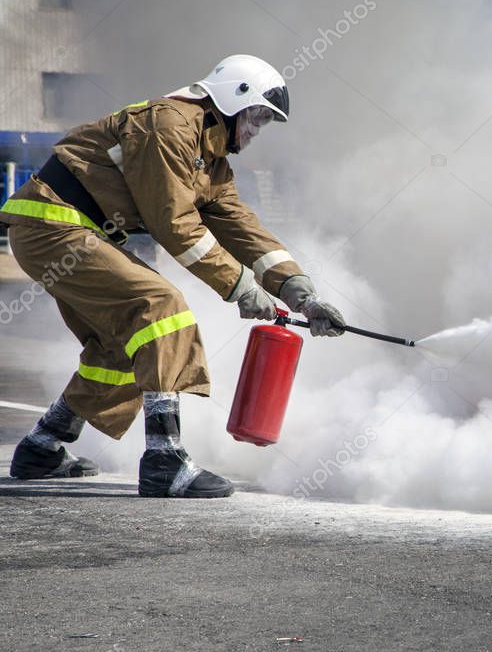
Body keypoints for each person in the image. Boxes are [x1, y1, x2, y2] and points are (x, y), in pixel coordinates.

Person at [1, 55, 345, 497]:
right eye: (257, 117)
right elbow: (175, 223)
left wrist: (300, 293)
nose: (257, 131)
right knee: (161, 307)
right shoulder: (169, 125)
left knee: (124, 344)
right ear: (231, 99)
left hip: (72, 233)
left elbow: (240, 225)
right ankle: (165, 460)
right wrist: (241, 287)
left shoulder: (212, 159)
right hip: (53, 226)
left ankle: (42, 446)